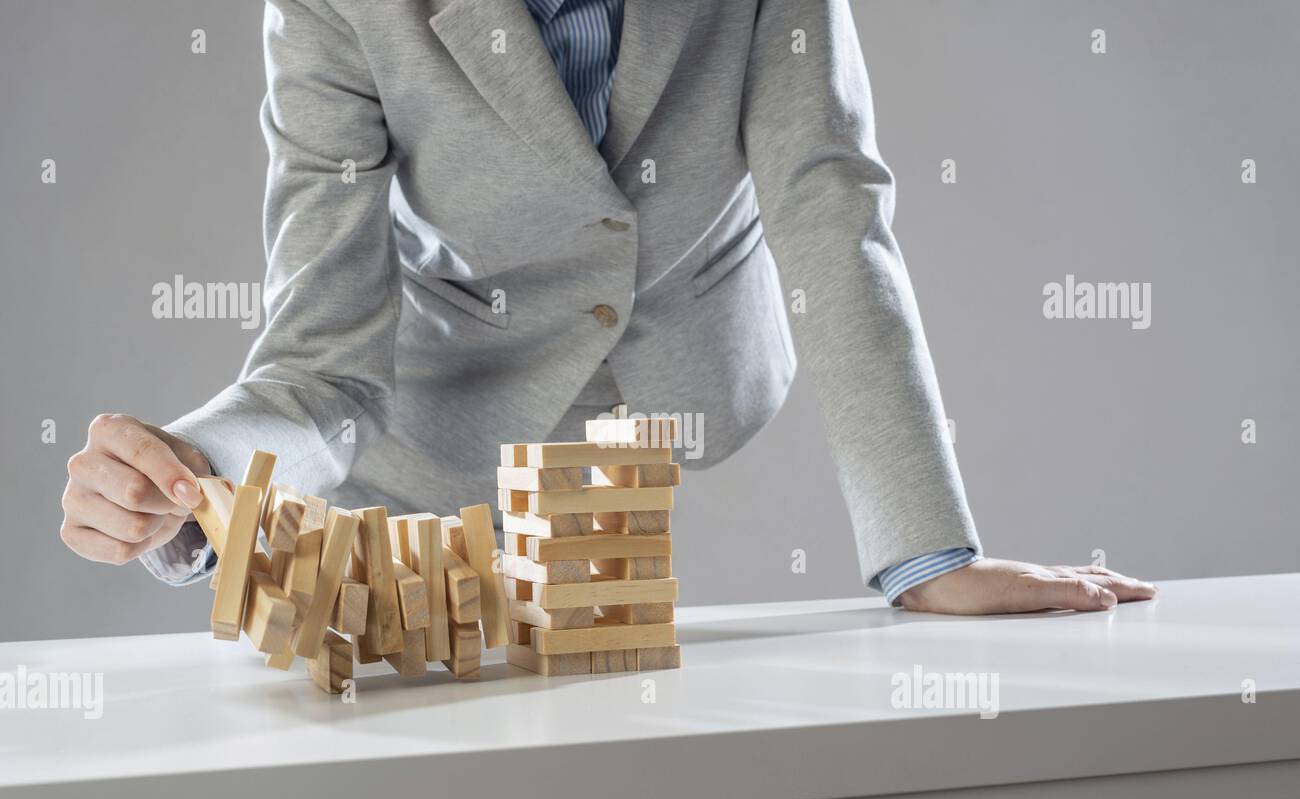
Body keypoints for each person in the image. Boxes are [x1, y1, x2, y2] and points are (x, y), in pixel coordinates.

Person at [59, 0, 1156, 615]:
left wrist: (930, 559)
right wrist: (191, 473)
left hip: (694, 358)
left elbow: (832, 219)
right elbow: (319, 362)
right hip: (453, 390)